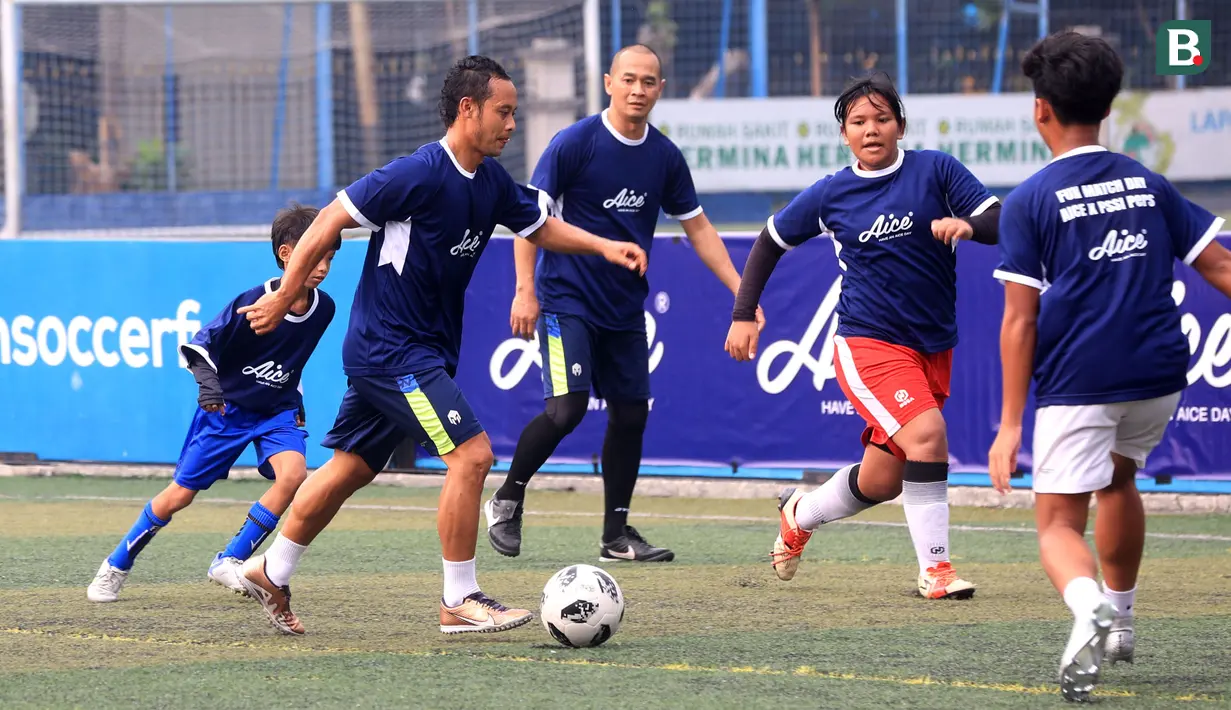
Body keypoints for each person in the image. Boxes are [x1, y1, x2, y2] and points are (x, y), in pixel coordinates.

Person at [232, 55, 648, 637]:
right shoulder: (419, 172)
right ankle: (459, 598)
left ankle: (271, 571)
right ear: (467, 109)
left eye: (515, 113)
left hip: (412, 349)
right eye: (503, 112)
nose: (510, 124)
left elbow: (539, 226)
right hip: (392, 350)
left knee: (350, 468)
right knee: (472, 456)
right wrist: (285, 297)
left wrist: (605, 247)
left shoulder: (493, 182)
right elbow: (328, 220)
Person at [987, 31, 1228, 702]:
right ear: (1107, 107)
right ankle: (1118, 625)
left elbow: (1018, 320)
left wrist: (1009, 425)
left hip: (1079, 382)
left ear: (1040, 110)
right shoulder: (1145, 181)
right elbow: (1219, 266)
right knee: (1118, 480)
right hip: (1158, 375)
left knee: (1058, 525)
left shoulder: (1031, 199)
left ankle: (1088, 602)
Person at [484, 44, 763, 563]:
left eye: (649, 82)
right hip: (568, 300)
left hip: (624, 309)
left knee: (632, 414)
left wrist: (741, 294)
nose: (638, 89)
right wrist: (526, 289)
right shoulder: (574, 144)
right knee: (565, 410)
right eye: (629, 79)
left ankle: (615, 536)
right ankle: (507, 497)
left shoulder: (664, 157)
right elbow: (530, 219)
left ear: (661, 89)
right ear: (609, 82)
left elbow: (698, 228)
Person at [726, 72, 1000, 599]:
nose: (870, 129)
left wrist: (968, 226)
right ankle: (936, 571)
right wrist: (743, 312)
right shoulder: (832, 193)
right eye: (857, 122)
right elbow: (769, 240)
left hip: (932, 348)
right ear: (844, 133)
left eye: (881, 118)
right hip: (868, 344)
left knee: (883, 481)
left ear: (900, 125)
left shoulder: (936, 170)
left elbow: (999, 220)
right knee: (928, 436)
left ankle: (800, 513)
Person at [86, 204, 340, 603]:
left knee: (293, 477)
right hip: (227, 412)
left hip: (276, 412)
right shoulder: (253, 302)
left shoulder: (324, 308)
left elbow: (294, 358)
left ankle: (230, 560)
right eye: (315, 253)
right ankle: (116, 564)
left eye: (329, 255)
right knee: (179, 496)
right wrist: (210, 388)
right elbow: (200, 345)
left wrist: (297, 402)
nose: (323, 265)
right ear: (286, 253)